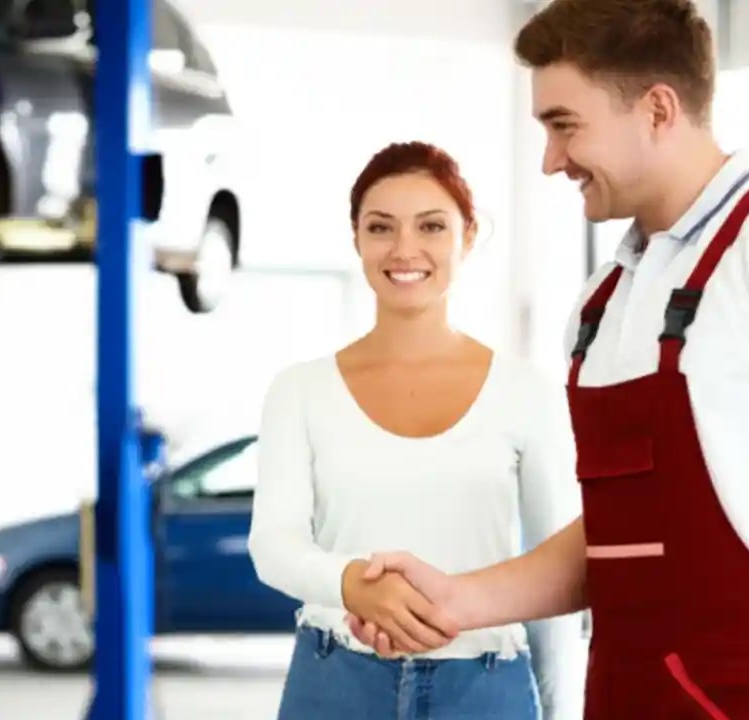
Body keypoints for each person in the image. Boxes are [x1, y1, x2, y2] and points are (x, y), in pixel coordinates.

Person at [347, 1, 749, 718]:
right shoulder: (601, 302)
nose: (551, 160)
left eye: (564, 125)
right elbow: (627, 538)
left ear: (656, 110)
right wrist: (461, 599)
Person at [248, 141, 586, 720]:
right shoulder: (299, 390)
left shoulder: (527, 393)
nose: (405, 249)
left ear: (468, 235)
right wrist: (351, 582)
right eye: (381, 228)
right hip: (335, 685)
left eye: (431, 226)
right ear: (356, 237)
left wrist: (561, 711)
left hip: (485, 689)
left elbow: (555, 574)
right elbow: (273, 545)